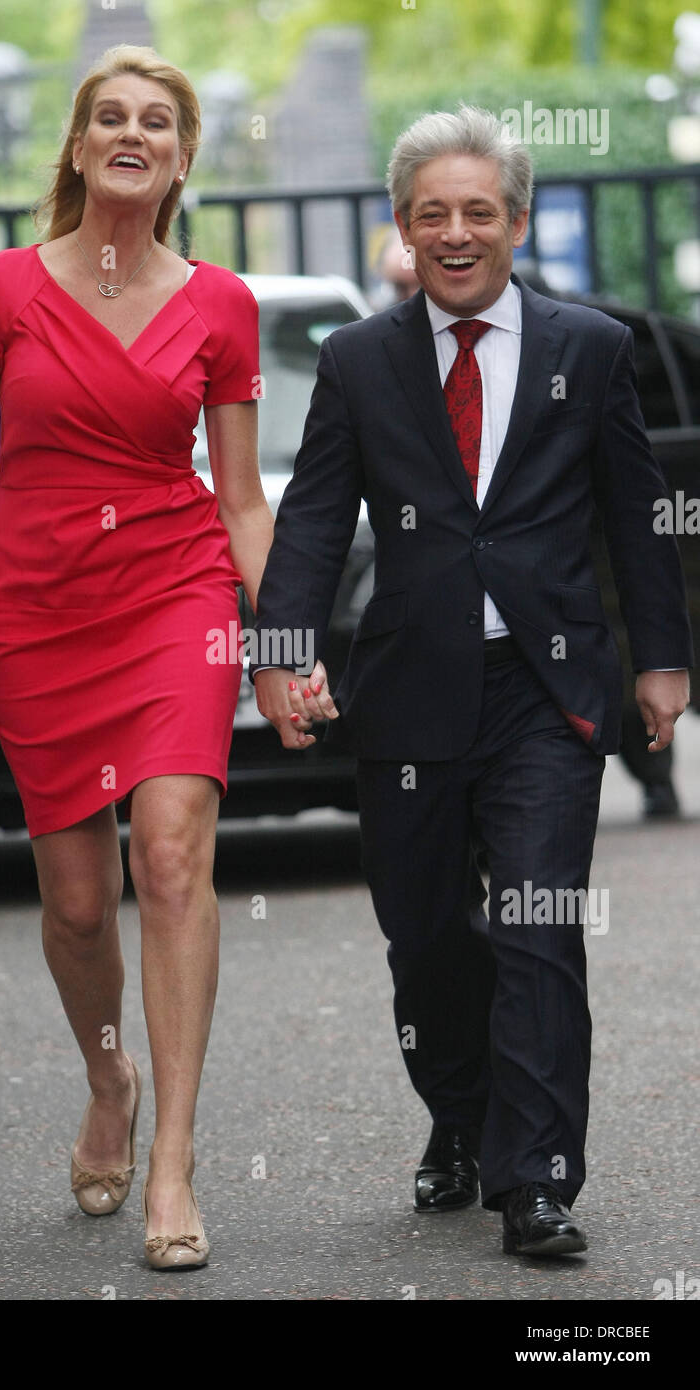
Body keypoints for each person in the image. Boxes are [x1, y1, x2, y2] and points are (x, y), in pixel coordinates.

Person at [253, 105, 692, 1257]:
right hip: (409, 693)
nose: (456, 233)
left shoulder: (589, 349)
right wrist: (282, 650)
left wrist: (660, 656)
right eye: (433, 213)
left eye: (478, 212)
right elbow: (309, 520)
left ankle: (536, 1179)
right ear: (404, 227)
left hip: (550, 693)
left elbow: (637, 519)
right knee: (429, 938)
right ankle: (461, 1116)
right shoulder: (357, 361)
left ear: (517, 221)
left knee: (541, 922)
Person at [0, 44, 271, 1270]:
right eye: (110, 117)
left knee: (170, 854)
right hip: (37, 609)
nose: (134, 133)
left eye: (158, 121)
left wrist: (275, 638)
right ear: (76, 148)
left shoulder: (222, 304)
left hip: (176, 592)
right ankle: (105, 1073)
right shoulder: (0, 288)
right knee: (77, 903)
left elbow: (239, 501)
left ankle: (173, 1160)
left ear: (181, 158)